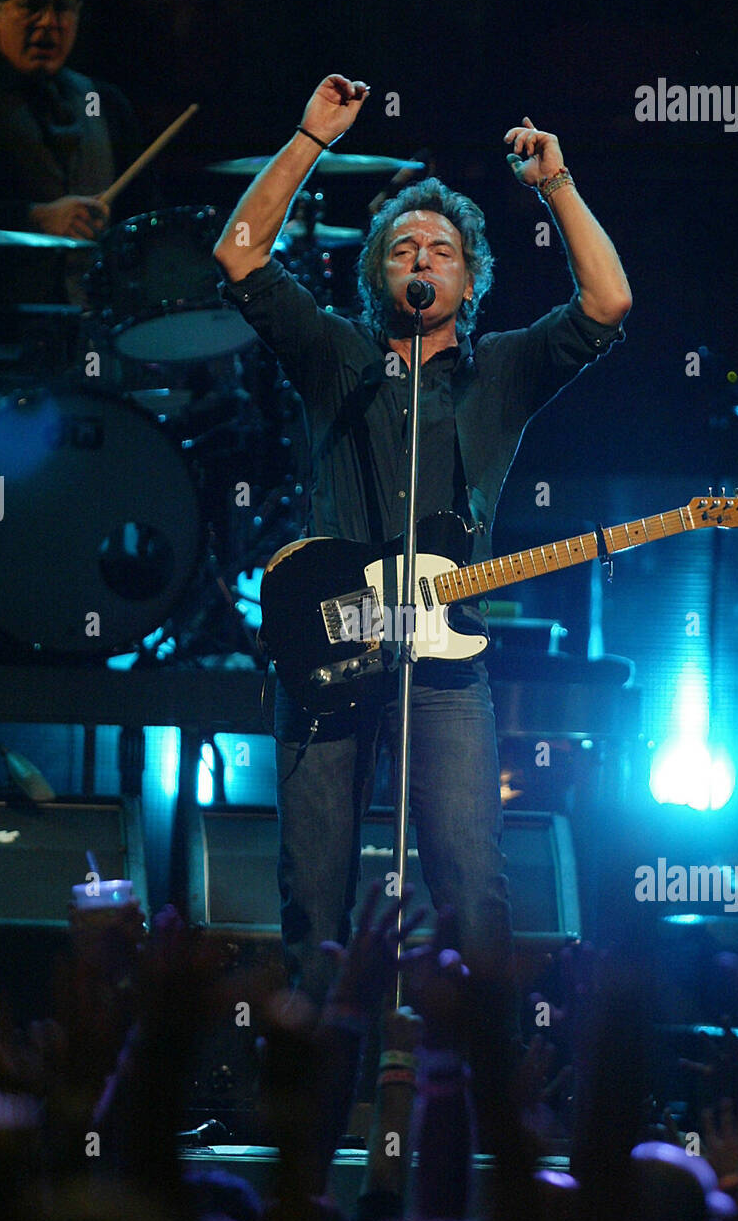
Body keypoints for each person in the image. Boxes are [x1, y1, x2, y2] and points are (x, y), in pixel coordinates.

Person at [214, 74, 631, 1015]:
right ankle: (315, 1113)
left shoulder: (504, 370)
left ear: (469, 280)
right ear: (378, 277)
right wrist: (308, 137)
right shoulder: (337, 358)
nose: (421, 257)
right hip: (327, 650)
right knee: (314, 897)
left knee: (474, 889)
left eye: (442, 249)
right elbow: (240, 256)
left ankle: (488, 1110)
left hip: (444, 668)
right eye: (402, 246)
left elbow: (607, 303)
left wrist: (556, 186)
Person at [0, 0, 145, 240]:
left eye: (62, 7)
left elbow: (145, 215)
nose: (48, 22)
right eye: (31, 6)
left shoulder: (107, 103)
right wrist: (32, 217)